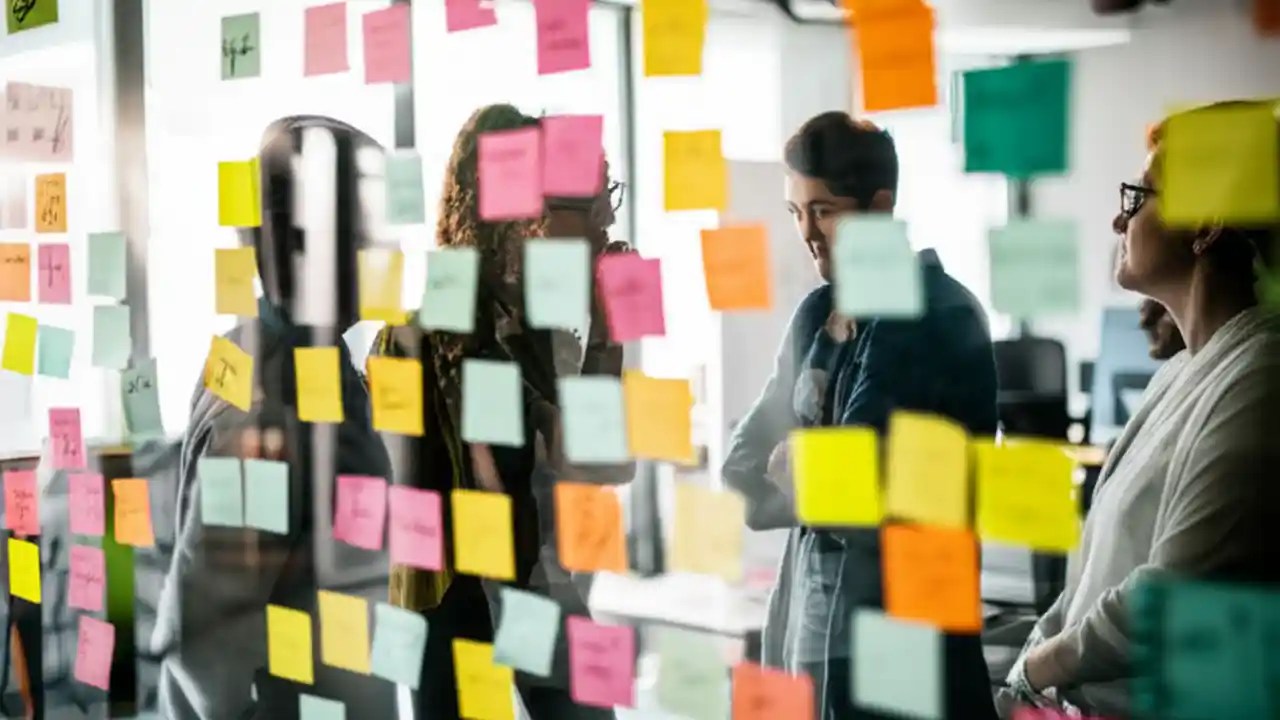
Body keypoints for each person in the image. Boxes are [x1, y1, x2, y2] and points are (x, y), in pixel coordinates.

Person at [1000, 101, 1280, 717]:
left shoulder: (1261, 375)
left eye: (1138, 197)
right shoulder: (1181, 370)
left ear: (1204, 225)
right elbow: (1093, 572)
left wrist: (1037, 668)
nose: (1117, 219)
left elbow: (1174, 592)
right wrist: (1031, 658)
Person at [722, 111, 999, 719]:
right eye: (796, 212)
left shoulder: (937, 312)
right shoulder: (818, 313)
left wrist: (817, 474)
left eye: (824, 210)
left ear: (880, 205)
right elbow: (741, 471)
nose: (808, 234)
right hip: (813, 628)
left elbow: (848, 482)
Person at [369, 104, 630, 720]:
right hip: (469, 620)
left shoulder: (548, 333)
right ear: (527, 216)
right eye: (589, 203)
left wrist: (610, 334)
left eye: (608, 196)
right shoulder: (434, 338)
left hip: (544, 598)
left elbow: (608, 465)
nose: (607, 220)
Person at [155, 116, 395, 719]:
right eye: (362, 229)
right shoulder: (271, 397)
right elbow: (205, 632)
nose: (378, 250)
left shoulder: (272, 356)